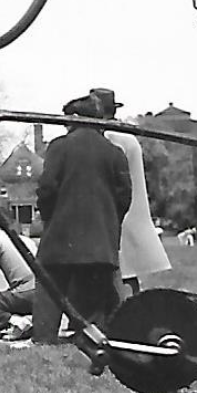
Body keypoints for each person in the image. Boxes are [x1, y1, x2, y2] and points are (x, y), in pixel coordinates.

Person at [32, 95, 132, 343]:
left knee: (49, 287)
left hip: (60, 237)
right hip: (100, 242)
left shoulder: (59, 147)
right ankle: (90, 338)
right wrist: (110, 224)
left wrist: (49, 219)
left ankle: (44, 337)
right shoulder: (114, 152)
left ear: (74, 118)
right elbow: (124, 196)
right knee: (93, 299)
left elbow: (46, 189)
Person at [89, 87, 171, 295]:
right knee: (126, 271)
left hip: (121, 213)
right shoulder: (126, 135)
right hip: (131, 210)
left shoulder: (112, 137)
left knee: (121, 270)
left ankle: (124, 316)